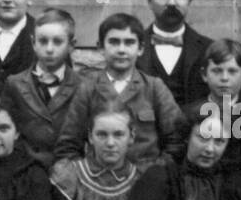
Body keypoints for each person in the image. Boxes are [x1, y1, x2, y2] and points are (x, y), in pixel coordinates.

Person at [55, 13, 184, 168]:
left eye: (129, 43)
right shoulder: (87, 89)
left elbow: (176, 141)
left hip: (145, 179)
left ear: (141, 48)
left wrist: (155, 174)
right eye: (114, 42)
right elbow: (68, 145)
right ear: (101, 48)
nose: (121, 50)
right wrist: (84, 176)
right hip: (99, 180)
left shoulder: (154, 88)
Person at [2, 7, 81, 169]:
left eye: (58, 42)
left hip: (69, 170)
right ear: (33, 43)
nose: (50, 49)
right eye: (43, 41)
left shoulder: (83, 86)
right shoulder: (15, 84)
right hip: (25, 170)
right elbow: (5, 130)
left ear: (71, 45)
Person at [138, 0, 213, 107]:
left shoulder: (209, 49)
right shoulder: (131, 47)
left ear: (189, 1)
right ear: (149, 1)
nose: (172, 2)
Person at [185, 39, 241, 171]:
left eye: (232, 71)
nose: (224, 78)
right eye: (217, 71)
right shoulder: (188, 114)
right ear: (204, 74)